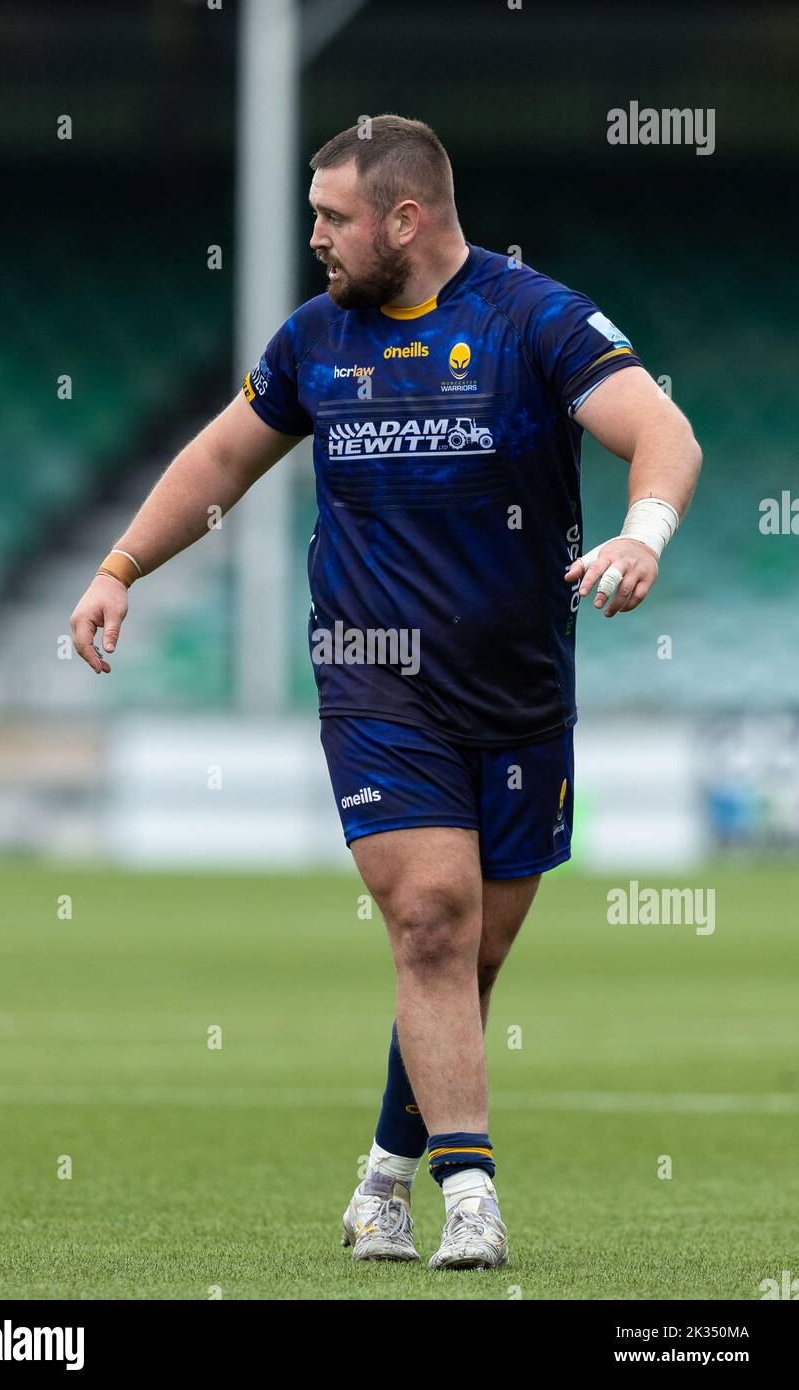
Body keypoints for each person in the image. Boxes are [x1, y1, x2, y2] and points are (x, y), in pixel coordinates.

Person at [70, 115, 702, 1271]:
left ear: (402, 218)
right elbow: (219, 459)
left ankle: (379, 1174)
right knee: (428, 916)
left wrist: (641, 533)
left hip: (518, 689)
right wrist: (118, 568)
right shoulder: (315, 339)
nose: (312, 236)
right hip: (373, 675)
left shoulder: (532, 319)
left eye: (329, 216)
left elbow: (659, 430)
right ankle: (468, 1194)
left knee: (472, 954)